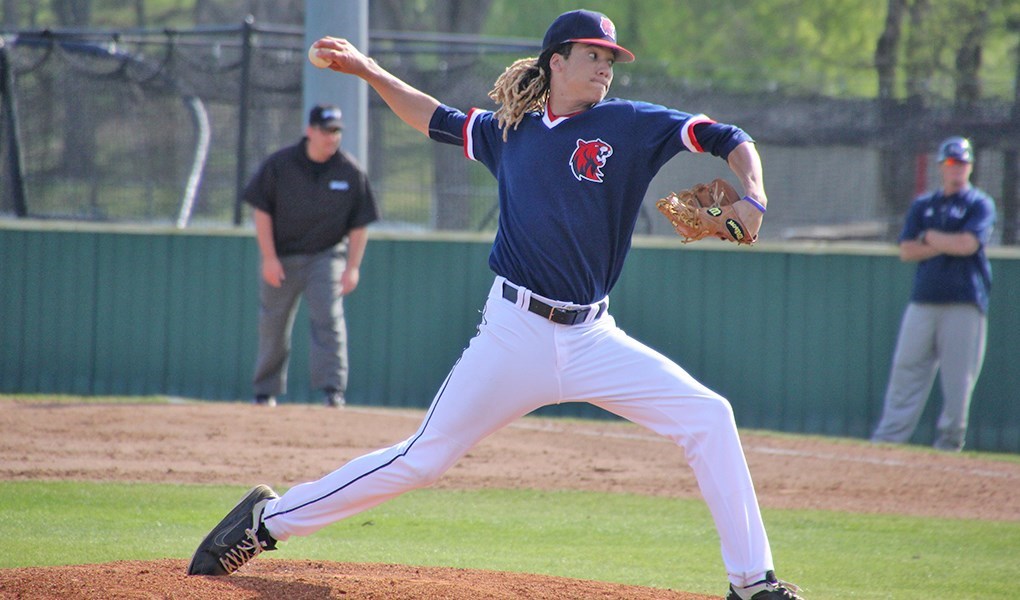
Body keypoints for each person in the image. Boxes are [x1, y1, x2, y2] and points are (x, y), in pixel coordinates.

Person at [189, 10, 802, 599]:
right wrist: (372, 72)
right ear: (556, 62)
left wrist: (754, 193)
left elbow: (727, 137)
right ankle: (264, 522)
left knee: (709, 416)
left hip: (594, 338)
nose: (605, 67)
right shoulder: (510, 132)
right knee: (422, 461)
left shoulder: (632, 124)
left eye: (611, 59)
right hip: (515, 333)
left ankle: (751, 582)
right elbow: (435, 118)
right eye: (593, 55)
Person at [245, 104, 379, 408]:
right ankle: (264, 392)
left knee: (328, 319)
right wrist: (268, 257)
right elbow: (261, 210)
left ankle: (333, 392)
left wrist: (352, 267)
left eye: (336, 131)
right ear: (310, 131)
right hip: (283, 255)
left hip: (327, 256)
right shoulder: (280, 165)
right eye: (326, 130)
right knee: (273, 323)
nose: (331, 137)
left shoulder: (350, 171)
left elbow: (359, 226)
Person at [871, 136, 995, 452]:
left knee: (958, 381)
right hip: (924, 300)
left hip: (965, 302)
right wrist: (945, 242)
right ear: (942, 166)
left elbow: (969, 244)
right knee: (906, 371)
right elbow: (907, 250)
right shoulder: (924, 205)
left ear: (970, 167)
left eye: (963, 163)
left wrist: (929, 237)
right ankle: (887, 443)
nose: (957, 169)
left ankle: (949, 447)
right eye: (952, 163)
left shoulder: (979, 203)